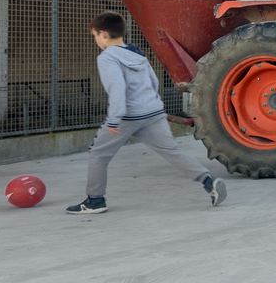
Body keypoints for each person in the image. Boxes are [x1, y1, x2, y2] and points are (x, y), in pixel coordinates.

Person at [65, 11, 227, 214]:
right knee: (172, 152)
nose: (96, 40)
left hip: (126, 116)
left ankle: (95, 200)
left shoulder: (107, 57)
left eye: (95, 36)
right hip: (153, 111)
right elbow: (153, 81)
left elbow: (117, 88)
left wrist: (114, 120)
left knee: (99, 154)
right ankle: (208, 182)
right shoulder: (136, 52)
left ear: (103, 34)